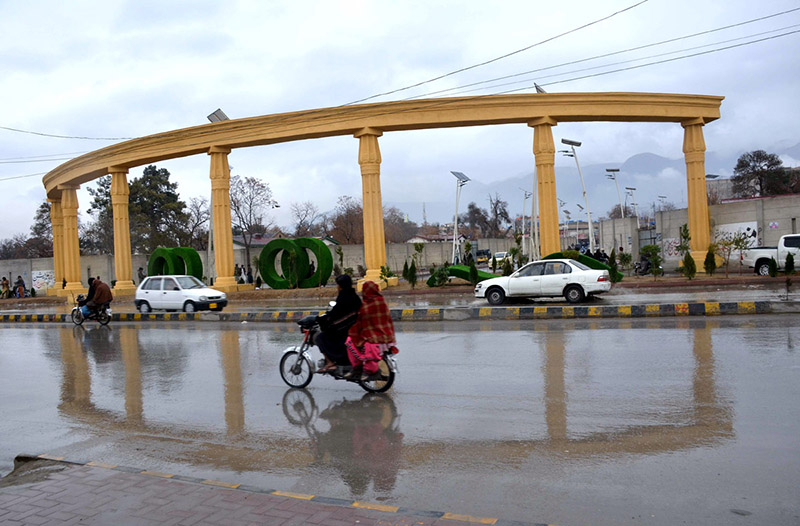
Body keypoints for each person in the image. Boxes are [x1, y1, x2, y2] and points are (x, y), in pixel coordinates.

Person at [346, 281, 395, 379]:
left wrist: (355, 329)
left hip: (373, 335)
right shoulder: (381, 301)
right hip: (386, 334)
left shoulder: (369, 303)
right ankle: (359, 368)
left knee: (350, 341)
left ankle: (361, 367)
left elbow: (363, 321)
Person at [316, 274, 362, 372]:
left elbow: (336, 314)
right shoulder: (354, 296)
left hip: (344, 329)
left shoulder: (343, 297)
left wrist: (323, 320)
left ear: (341, 286)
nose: (337, 287)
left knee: (320, 337)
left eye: (338, 285)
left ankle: (330, 362)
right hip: (354, 326)